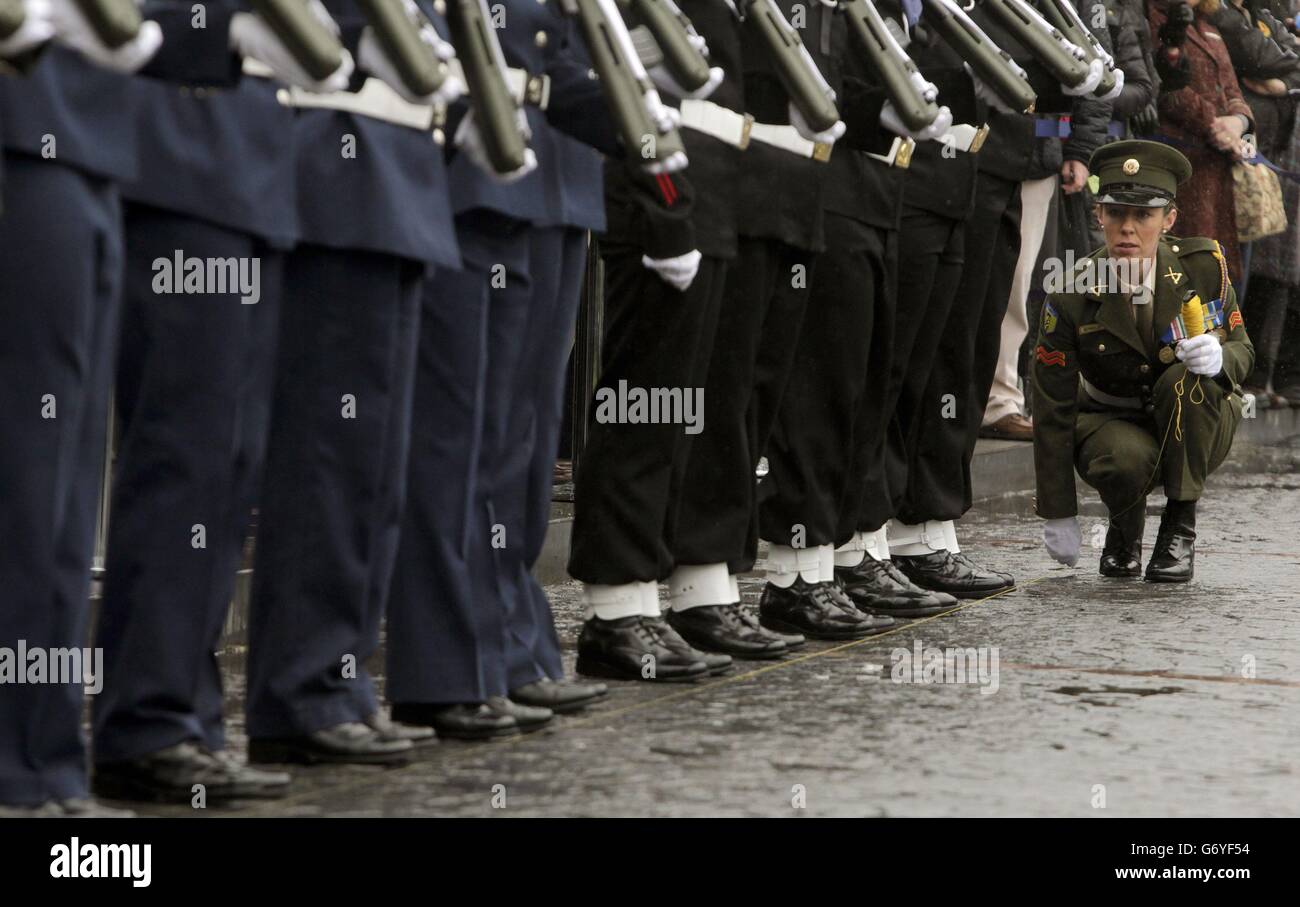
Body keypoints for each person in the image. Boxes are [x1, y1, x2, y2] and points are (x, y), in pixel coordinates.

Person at [386, 0, 615, 737]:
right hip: (476, 156)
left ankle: (511, 640)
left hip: (556, 160)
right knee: (466, 436)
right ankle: (460, 656)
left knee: (522, 434)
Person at [244, 0, 462, 765]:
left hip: (393, 165)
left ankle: (339, 678)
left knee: (371, 466)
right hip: (339, 152)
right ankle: (299, 687)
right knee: (329, 458)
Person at [0, 0, 160, 815]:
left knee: (61, 501)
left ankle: (44, 756)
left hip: (88, 137)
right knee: (29, 479)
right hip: (24, 121)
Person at [1032, 140, 1254, 582]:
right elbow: (1052, 404)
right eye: (1115, 213)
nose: (1127, 229)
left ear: (1169, 219)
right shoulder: (1073, 290)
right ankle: (1124, 529)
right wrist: (1058, 511)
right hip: (1112, 420)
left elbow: (1243, 349)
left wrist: (1219, 358)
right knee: (1123, 459)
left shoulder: (1203, 268)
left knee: (1187, 380)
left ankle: (1180, 525)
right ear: (1099, 215)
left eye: (1143, 215)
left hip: (1196, 418)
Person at [1149, 0, 1254, 285]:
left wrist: (1240, 121)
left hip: (1217, 168)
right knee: (1182, 272)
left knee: (1216, 273)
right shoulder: (1154, 18)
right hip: (1181, 164)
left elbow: (1232, 88)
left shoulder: (1208, 24)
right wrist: (1215, 125)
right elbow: (1168, 90)